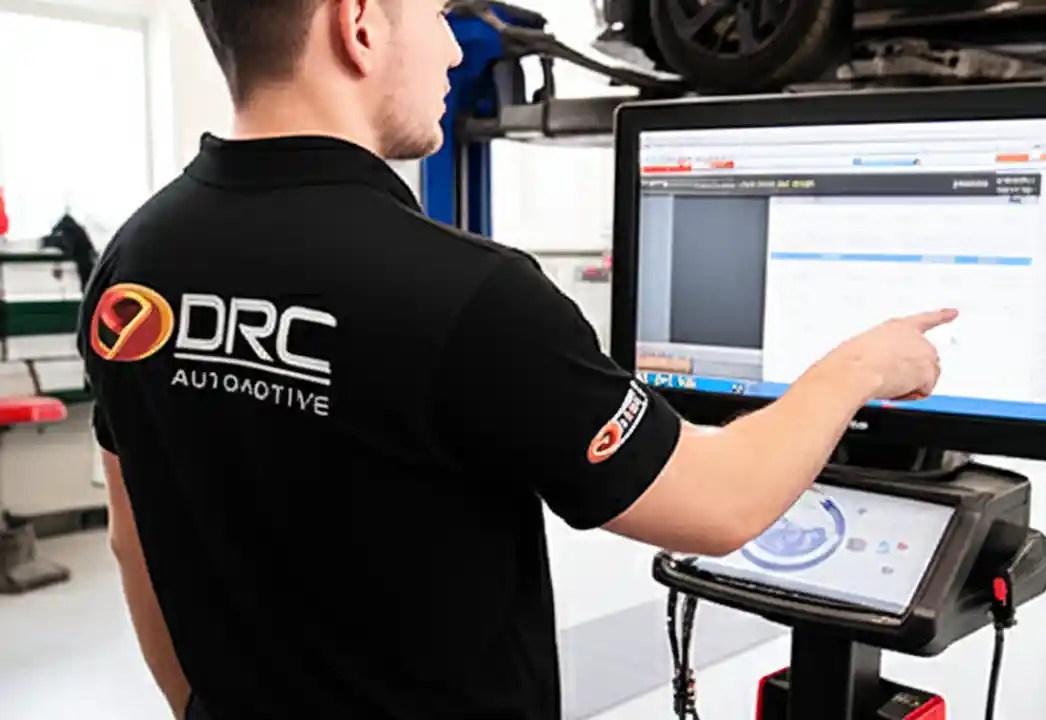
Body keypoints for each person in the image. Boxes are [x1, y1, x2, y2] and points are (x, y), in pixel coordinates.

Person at [77, 1, 955, 718]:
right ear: (361, 25)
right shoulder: (467, 294)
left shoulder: (138, 262)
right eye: (438, 15)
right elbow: (721, 501)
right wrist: (861, 368)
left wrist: (199, 708)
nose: (453, 53)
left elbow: (130, 537)